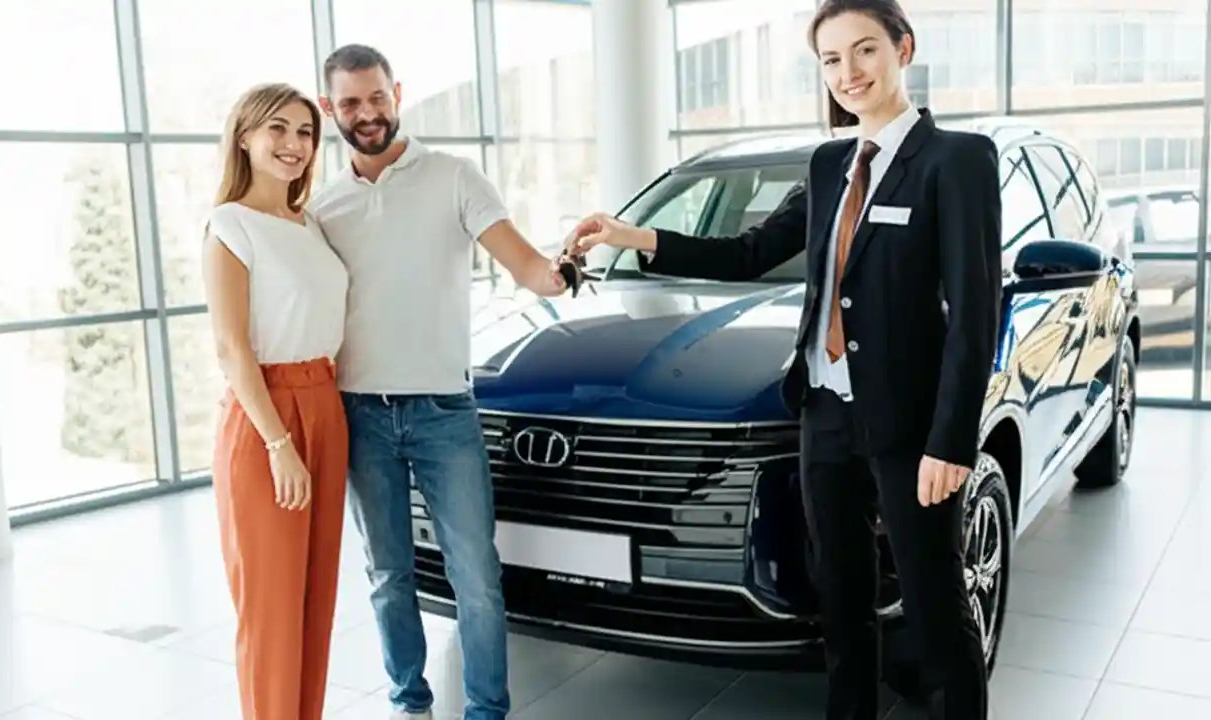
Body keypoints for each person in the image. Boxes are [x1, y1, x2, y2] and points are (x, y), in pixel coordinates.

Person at [565, 1, 1001, 718]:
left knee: (933, 601)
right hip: (823, 410)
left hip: (910, 424)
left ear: (904, 49)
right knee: (841, 599)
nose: (849, 73)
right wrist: (634, 235)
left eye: (864, 51)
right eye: (832, 60)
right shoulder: (832, 163)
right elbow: (750, 252)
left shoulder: (955, 160)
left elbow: (974, 315)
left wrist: (950, 439)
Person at [310, 45, 569, 720]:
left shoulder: (455, 176)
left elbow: (527, 267)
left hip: (444, 413)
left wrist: (563, 268)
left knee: (476, 579)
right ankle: (410, 702)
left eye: (376, 98)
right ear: (327, 108)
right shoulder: (322, 206)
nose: (366, 115)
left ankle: (486, 711)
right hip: (358, 413)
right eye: (350, 104)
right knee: (388, 578)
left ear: (397, 92)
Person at [203, 83, 350, 720]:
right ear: (245, 137)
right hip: (268, 416)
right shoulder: (230, 224)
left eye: (306, 132)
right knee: (270, 609)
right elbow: (232, 348)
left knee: (315, 604)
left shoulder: (309, 223)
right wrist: (279, 444)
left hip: (326, 405)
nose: (294, 145)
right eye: (278, 130)